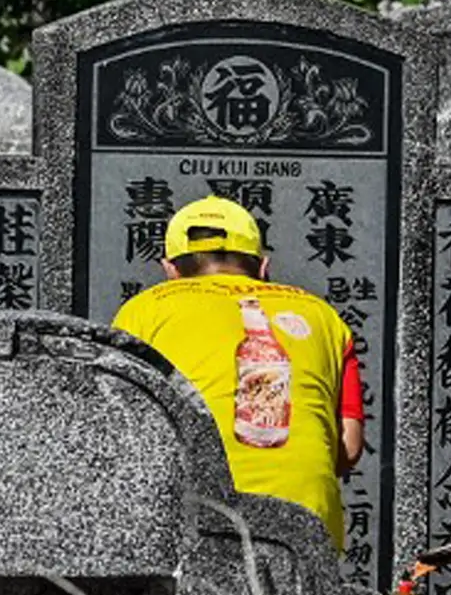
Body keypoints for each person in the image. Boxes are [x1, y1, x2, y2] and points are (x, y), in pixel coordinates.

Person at [112, 194, 365, 551]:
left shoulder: (142, 312)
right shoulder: (324, 317)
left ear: (169, 270)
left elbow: (125, 427)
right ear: (263, 267)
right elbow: (349, 446)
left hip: (189, 516)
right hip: (306, 523)